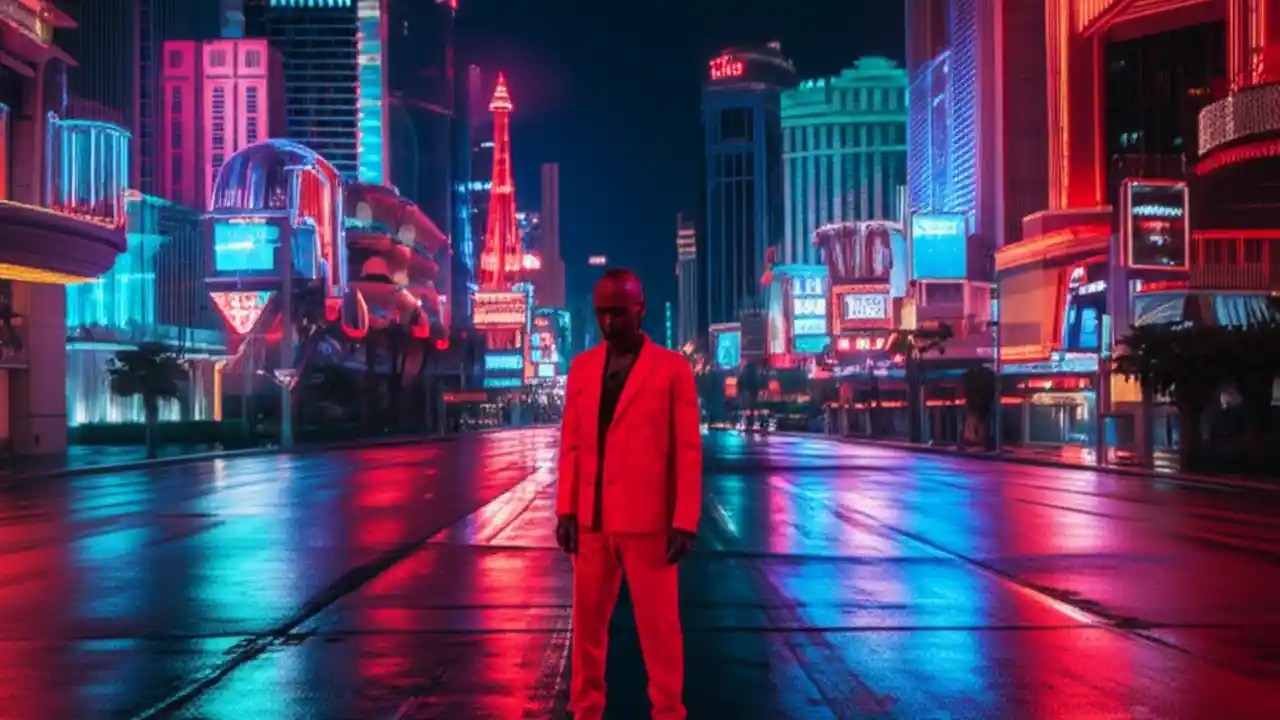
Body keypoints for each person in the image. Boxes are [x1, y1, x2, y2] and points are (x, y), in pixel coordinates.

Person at [555, 268, 702, 720]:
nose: (609, 323)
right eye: (602, 313)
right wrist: (566, 510)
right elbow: (573, 443)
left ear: (640, 310)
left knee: (659, 630)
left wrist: (684, 520)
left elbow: (687, 449)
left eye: (618, 313)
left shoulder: (672, 368)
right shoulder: (582, 368)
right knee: (587, 632)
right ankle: (585, 711)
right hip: (592, 520)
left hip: (649, 523)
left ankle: (668, 711)